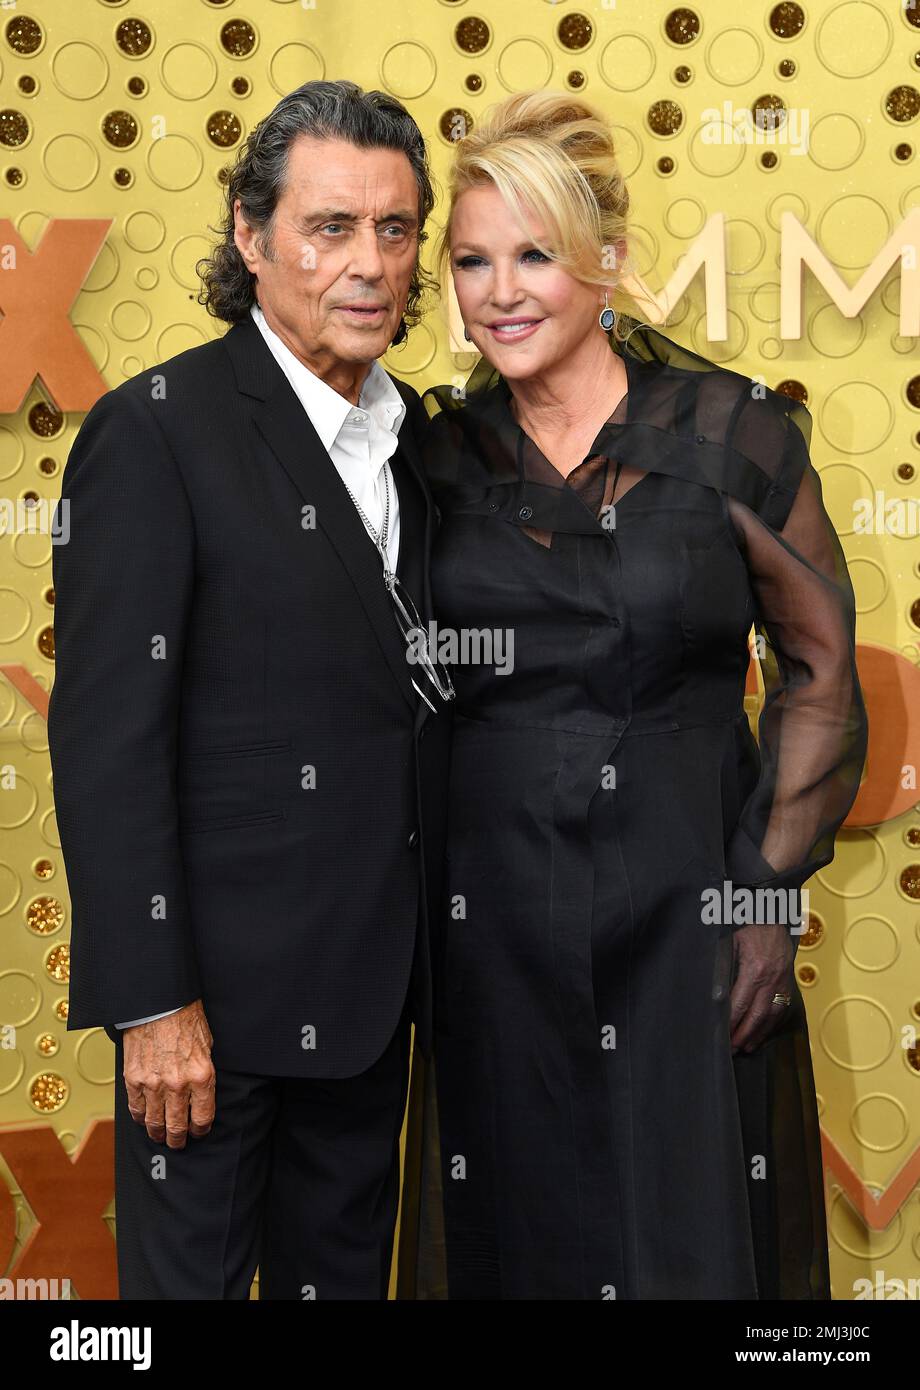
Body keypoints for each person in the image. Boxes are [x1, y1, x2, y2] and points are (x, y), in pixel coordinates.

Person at [397, 91, 868, 1300]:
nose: (499, 291)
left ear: (606, 264)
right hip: (488, 910)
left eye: (534, 256)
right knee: (518, 1215)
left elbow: (819, 665)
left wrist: (759, 888)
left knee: (684, 1223)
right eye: (471, 261)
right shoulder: (433, 456)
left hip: (681, 903)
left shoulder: (732, 434)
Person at [47, 79, 451, 1300]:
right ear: (249, 232)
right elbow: (110, 739)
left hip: (374, 999)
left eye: (394, 229)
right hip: (207, 1023)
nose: (367, 263)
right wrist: (152, 1004)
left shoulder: (419, 437)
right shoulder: (157, 431)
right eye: (329, 227)